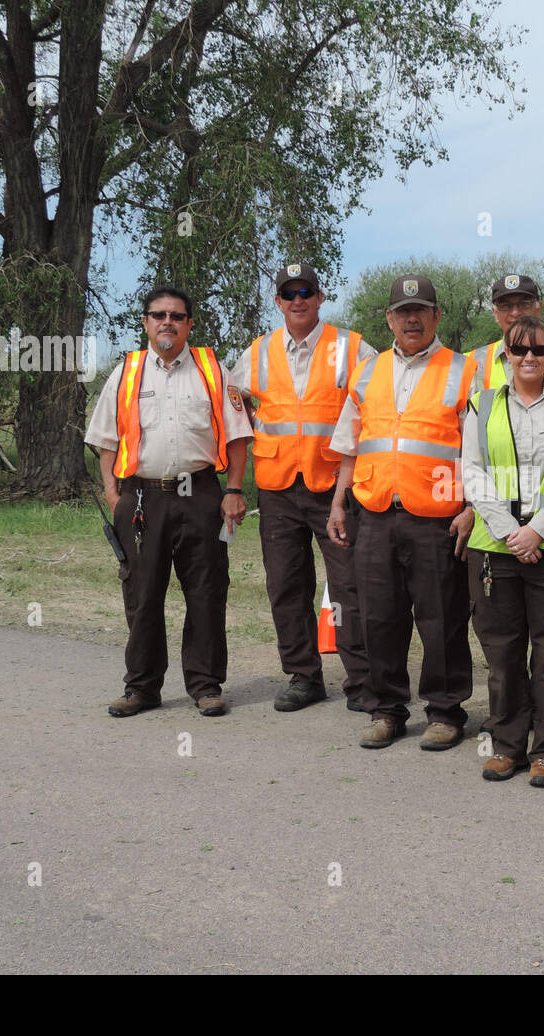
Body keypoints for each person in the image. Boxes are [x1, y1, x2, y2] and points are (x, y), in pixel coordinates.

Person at [325, 275, 478, 751]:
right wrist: (337, 502)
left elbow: (480, 449)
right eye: (402, 312)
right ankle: (386, 709)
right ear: (388, 318)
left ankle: (445, 712)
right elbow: (351, 445)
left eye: (421, 310)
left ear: (436, 317)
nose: (412, 318)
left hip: (437, 517)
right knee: (378, 618)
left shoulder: (465, 370)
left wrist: (473, 506)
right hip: (374, 513)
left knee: (441, 619)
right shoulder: (368, 371)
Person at [86, 286, 251, 718]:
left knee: (206, 591)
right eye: (158, 314)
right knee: (142, 594)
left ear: (189, 324)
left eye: (177, 316)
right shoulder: (127, 372)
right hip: (141, 496)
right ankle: (141, 687)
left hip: (200, 494)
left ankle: (206, 685)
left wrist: (233, 490)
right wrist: (111, 489)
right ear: (145, 322)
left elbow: (236, 438)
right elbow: (105, 439)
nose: (167, 322)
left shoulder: (214, 370)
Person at [229, 263, 377, 714]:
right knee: (286, 585)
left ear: (319, 297)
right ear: (278, 301)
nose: (297, 300)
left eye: (305, 292)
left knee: (349, 585)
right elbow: (232, 407)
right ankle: (303, 676)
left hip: (335, 488)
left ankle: (364, 680)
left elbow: (379, 406)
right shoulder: (257, 352)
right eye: (288, 293)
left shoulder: (352, 348)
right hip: (276, 488)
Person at [463, 315, 544, 787]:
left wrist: (537, 531)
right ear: (506, 356)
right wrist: (509, 534)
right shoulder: (481, 405)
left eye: (539, 350)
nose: (530, 358)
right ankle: (507, 747)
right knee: (503, 654)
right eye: (520, 350)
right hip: (496, 550)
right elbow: (473, 473)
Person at [467, 274, 544, 392]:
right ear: (495, 313)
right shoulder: (472, 361)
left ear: (538, 308)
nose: (515, 313)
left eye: (524, 304)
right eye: (505, 306)